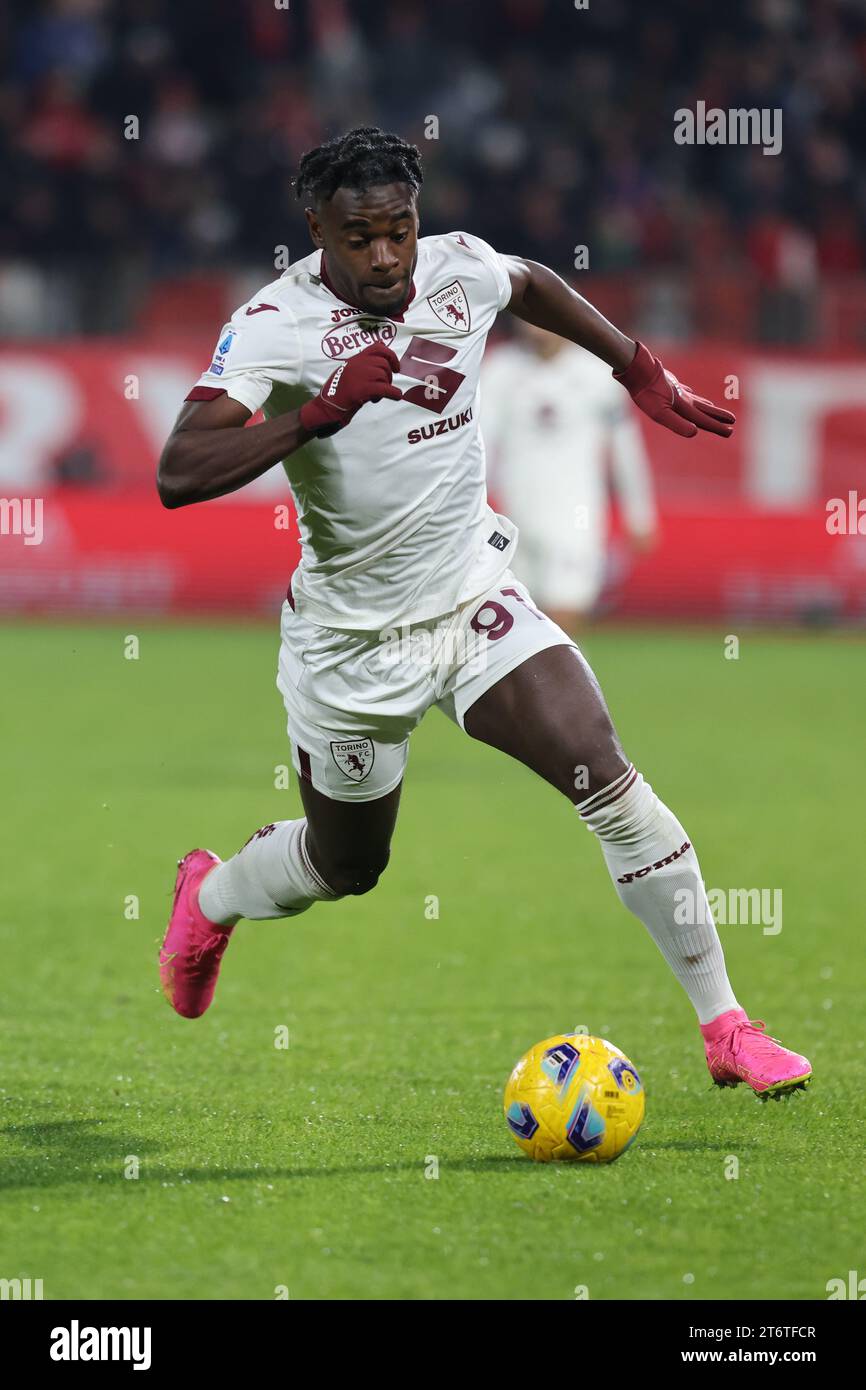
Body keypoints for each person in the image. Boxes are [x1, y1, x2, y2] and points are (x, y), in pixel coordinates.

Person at [156, 127, 810, 1099]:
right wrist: (310, 416)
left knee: (608, 779)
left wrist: (633, 367)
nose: (384, 256)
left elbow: (532, 281)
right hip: (350, 641)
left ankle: (724, 1025)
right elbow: (177, 471)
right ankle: (209, 897)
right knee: (346, 864)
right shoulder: (271, 326)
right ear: (315, 233)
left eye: (398, 229)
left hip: (471, 596)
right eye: (358, 237)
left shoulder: (456, 270)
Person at [480, 319, 658, 631]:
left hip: (576, 514)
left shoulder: (600, 375)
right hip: (515, 513)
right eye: (527, 317)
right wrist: (476, 509)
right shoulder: (499, 370)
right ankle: (555, 679)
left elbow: (625, 450)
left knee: (565, 611)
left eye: (544, 316)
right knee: (521, 622)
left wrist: (640, 514)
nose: (536, 326)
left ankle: (567, 677)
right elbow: (481, 445)